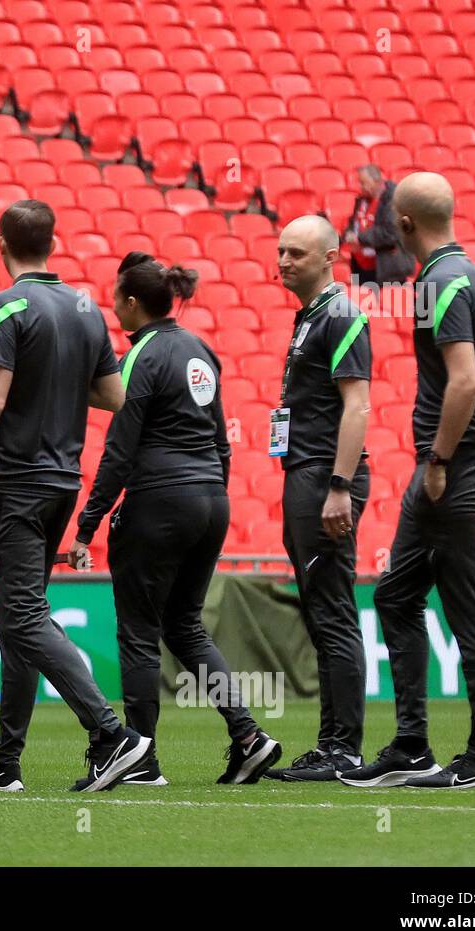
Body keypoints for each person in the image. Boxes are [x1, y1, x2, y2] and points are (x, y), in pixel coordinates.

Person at [0, 199, 151, 793]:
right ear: (53, 242)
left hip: (18, 481)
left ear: (1, 245)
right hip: (64, 481)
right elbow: (113, 397)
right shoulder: (86, 307)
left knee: (21, 615)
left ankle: (110, 735)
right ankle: (6, 760)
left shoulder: (7, 306)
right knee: (16, 617)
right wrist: (59, 378)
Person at [69, 254, 282, 786]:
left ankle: (140, 758)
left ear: (133, 303)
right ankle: (248, 736)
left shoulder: (141, 354)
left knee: (139, 632)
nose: (112, 304)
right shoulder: (200, 350)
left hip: (160, 501)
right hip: (210, 497)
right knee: (184, 624)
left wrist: (87, 523)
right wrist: (211, 495)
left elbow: (120, 449)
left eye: (116, 296)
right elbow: (221, 440)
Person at [342, 172, 475, 790]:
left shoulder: (439, 282)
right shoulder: (471, 275)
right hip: (456, 466)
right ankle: (412, 745)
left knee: (469, 614)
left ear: (404, 224)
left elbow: (464, 381)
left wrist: (437, 462)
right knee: (394, 596)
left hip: (453, 470)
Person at [264, 216, 372, 783]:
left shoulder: (342, 315)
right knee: (321, 610)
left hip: (325, 479)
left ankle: (344, 750)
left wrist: (339, 486)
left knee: (332, 612)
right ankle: (332, 743)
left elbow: (357, 406)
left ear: (330, 256)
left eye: (297, 253)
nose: (284, 260)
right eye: (281, 250)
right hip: (306, 473)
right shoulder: (309, 317)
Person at [343, 165, 414, 287]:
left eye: (363, 183)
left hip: (387, 270)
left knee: (389, 305)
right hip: (361, 267)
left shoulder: (394, 200)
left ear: (377, 182)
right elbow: (354, 222)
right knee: (361, 304)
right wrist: (349, 234)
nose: (361, 187)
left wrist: (358, 238)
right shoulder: (362, 199)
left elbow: (390, 232)